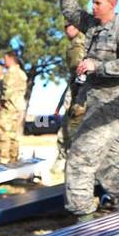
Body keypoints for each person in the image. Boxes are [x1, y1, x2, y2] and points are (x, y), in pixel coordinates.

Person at [59, 0, 119, 220]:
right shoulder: (92, 25)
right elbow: (69, 10)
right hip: (90, 99)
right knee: (109, 161)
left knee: (80, 156)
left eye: (97, 3)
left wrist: (98, 66)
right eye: (93, 2)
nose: (92, 7)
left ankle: (82, 217)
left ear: (112, 4)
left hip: (109, 102)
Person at [50, 22, 86, 182]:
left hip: (82, 97)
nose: (66, 29)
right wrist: (59, 105)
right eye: (64, 26)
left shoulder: (83, 42)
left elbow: (84, 75)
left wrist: (80, 101)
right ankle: (62, 160)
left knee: (76, 133)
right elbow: (72, 80)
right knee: (64, 132)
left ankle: (74, 166)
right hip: (73, 94)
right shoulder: (72, 46)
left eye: (69, 26)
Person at [0, 51, 28, 163]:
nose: (4, 62)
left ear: (10, 58)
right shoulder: (22, 73)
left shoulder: (11, 72)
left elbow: (7, 90)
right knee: (14, 134)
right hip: (19, 106)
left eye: (5, 59)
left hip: (10, 105)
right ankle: (13, 159)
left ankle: (3, 159)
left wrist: (2, 102)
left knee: (3, 131)